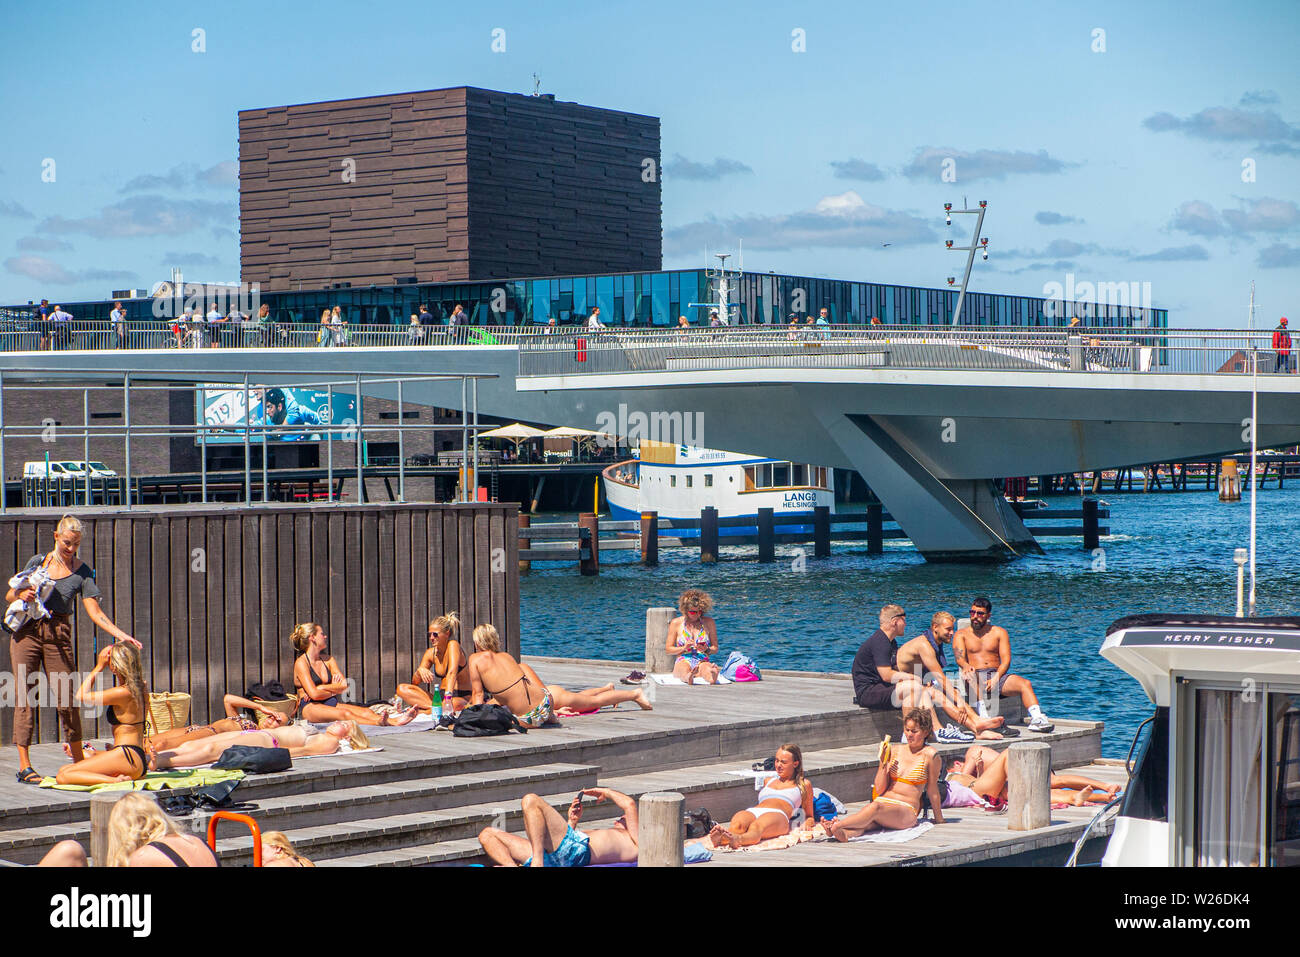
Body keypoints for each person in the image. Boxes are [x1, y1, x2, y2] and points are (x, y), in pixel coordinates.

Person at [9, 515, 142, 785]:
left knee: (67, 698)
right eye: (67, 542)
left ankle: (80, 761)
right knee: (24, 695)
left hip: (58, 634)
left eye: (76, 544)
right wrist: (21, 595)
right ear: (56, 536)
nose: (71, 549)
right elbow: (10, 595)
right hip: (27, 632)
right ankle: (24, 765)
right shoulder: (38, 563)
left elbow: (95, 611)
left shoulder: (82, 572)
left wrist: (121, 634)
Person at [824, 709, 945, 840]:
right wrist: (883, 763)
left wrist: (939, 818)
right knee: (868, 823)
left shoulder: (930, 755)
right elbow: (879, 788)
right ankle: (845, 834)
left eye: (914, 731)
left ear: (926, 732)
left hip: (906, 809)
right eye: (907, 730)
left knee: (875, 808)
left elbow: (932, 789)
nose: (909, 735)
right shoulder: (895, 750)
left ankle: (836, 825)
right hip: (884, 802)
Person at [894, 611, 1007, 741]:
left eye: (953, 629)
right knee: (944, 693)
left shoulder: (934, 643)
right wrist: (959, 701)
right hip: (900, 688)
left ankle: (977, 723)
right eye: (948, 629)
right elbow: (940, 678)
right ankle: (976, 726)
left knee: (949, 692)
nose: (952, 633)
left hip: (916, 684)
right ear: (935, 627)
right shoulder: (924, 645)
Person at [54, 642, 150, 786]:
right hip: (135, 757)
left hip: (126, 756)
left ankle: (116, 781)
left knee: (63, 776)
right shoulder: (141, 688)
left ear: (114, 667)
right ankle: (117, 777)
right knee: (65, 770)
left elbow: (81, 696)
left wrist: (99, 667)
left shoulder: (122, 693)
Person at [953, 597, 1054, 732]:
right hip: (974, 675)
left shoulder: (999, 632)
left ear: (988, 615)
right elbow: (959, 658)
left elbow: (1006, 660)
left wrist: (996, 678)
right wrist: (965, 666)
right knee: (971, 675)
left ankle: (1037, 719)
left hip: (997, 675)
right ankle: (984, 718)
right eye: (972, 613)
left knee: (1025, 683)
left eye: (980, 613)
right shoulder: (961, 634)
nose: (975, 617)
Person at [291, 622, 418, 726]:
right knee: (345, 714)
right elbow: (314, 694)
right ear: (312, 638)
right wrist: (334, 690)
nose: (325, 637)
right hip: (310, 707)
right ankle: (384, 722)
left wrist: (322, 688)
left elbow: (344, 685)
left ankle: (395, 720)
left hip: (330, 702)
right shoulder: (301, 663)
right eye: (322, 634)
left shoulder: (328, 660)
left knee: (367, 712)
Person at [478, 786, 640, 867]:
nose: (617, 820)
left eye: (622, 818)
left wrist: (606, 791)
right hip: (561, 852)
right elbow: (564, 850)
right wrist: (572, 821)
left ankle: (537, 862)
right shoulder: (618, 834)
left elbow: (629, 804)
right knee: (488, 835)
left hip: (574, 850)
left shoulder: (638, 841)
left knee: (530, 800)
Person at [709, 743, 816, 848]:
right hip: (755, 811)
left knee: (756, 827)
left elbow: (810, 816)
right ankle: (722, 839)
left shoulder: (803, 785)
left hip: (778, 815)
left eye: (783, 762)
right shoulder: (768, 780)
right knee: (738, 823)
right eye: (777, 760)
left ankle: (737, 840)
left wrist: (807, 823)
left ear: (795, 764)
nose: (778, 765)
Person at [151, 719, 369, 769]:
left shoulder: (330, 742)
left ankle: (161, 762)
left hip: (267, 741)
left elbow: (302, 751)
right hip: (264, 734)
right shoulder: (325, 734)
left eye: (345, 726)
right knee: (204, 742)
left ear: (347, 737)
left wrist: (268, 753)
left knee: (212, 751)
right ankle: (163, 755)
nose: (338, 723)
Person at [946, 744, 1122, 806]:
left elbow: (974, 781)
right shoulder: (957, 776)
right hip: (1006, 778)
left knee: (1041, 790)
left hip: (1006, 778)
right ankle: (1104, 793)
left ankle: (1101, 794)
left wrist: (976, 766)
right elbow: (977, 784)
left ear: (956, 764)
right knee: (1049, 786)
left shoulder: (970, 756)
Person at [143, 693, 289, 753]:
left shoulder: (257, 736)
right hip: (197, 728)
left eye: (277, 720)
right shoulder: (246, 722)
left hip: (209, 734)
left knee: (161, 746)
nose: (272, 719)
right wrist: (260, 707)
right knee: (147, 741)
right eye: (272, 715)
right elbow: (228, 699)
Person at [396, 612, 473, 714]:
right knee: (402, 688)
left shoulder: (453, 645)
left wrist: (448, 699)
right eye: (429, 634)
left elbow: (451, 673)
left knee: (454, 704)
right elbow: (415, 683)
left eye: (435, 634)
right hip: (440, 696)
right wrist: (419, 671)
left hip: (461, 696)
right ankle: (434, 709)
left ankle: (422, 711)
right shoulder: (430, 653)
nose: (432, 638)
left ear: (447, 633)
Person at [665, 588, 720, 684]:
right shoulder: (676, 623)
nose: (697, 615)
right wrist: (684, 648)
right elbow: (668, 649)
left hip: (702, 658)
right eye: (693, 612)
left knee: (706, 668)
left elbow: (715, 648)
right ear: (685, 610)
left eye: (699, 612)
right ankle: (688, 677)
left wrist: (706, 649)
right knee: (683, 669)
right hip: (683, 658)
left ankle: (712, 676)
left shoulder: (709, 622)